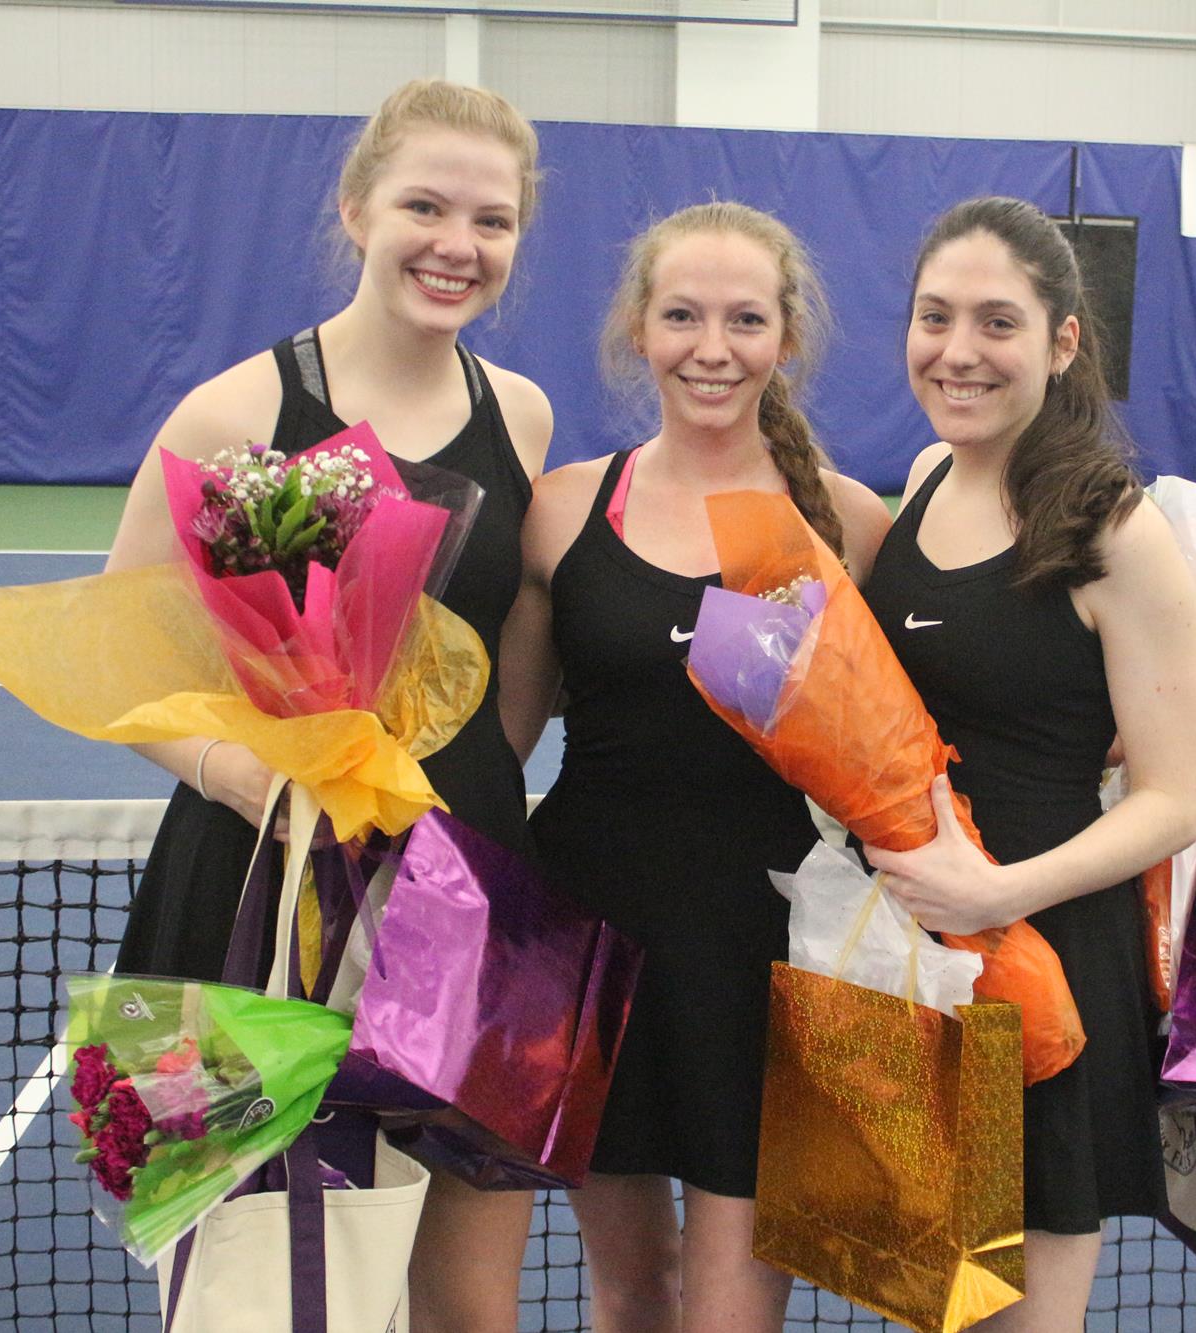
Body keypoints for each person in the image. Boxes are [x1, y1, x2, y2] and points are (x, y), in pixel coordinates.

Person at [102, 78, 553, 1333]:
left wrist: (442, 815)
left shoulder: (519, 414)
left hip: (459, 901)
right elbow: (122, 666)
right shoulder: (236, 413)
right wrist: (253, 781)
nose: (456, 245)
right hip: (251, 896)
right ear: (355, 210)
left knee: (461, 1298)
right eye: (423, 205)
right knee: (255, 1290)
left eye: (493, 221)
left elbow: (509, 679)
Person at [498, 201, 892, 1332]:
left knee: (730, 1314)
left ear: (786, 339)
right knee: (628, 1291)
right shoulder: (563, 510)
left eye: (743, 319)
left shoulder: (851, 527)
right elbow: (502, 744)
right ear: (637, 328)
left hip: (765, 955)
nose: (710, 348)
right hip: (587, 947)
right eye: (681, 315)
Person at [858, 196, 1196, 1328]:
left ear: (1062, 343)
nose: (957, 352)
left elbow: (1168, 799)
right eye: (935, 317)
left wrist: (996, 891)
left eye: (997, 323)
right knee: (930, 1300)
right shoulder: (921, 475)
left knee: (1016, 1318)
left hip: (1042, 960)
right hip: (910, 950)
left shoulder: (1113, 530)